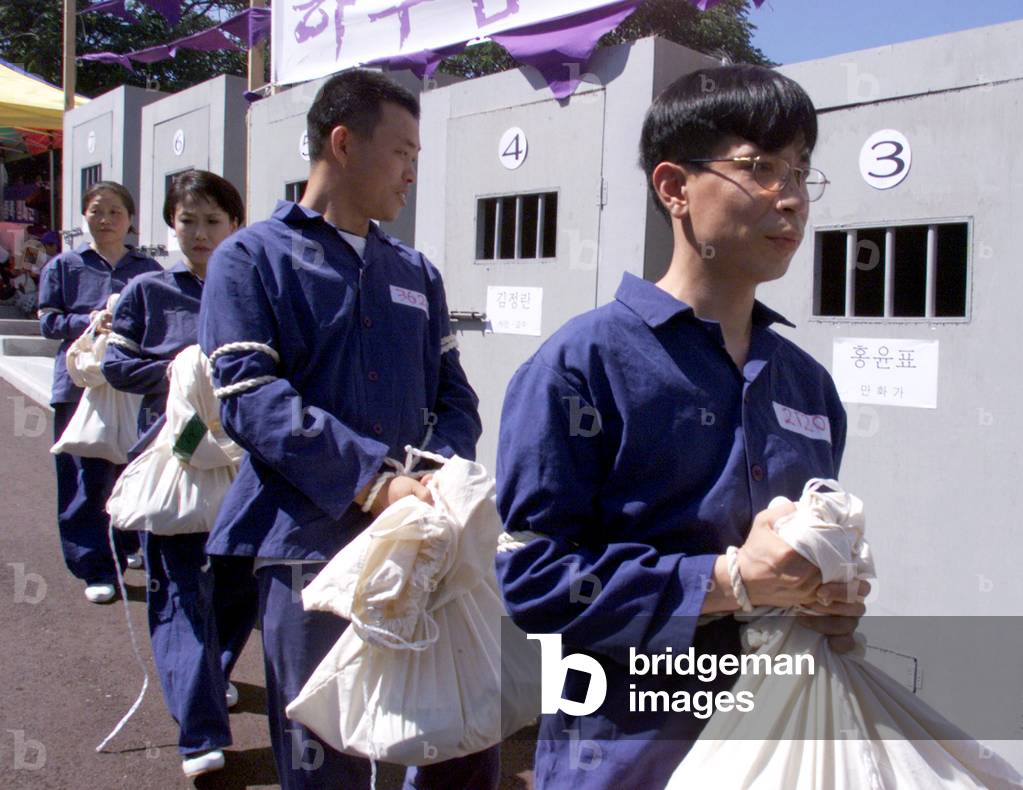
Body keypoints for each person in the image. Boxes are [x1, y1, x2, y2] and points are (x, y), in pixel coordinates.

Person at [494, 64, 870, 789]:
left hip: (775, 749)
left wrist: (825, 594)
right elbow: (533, 580)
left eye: (800, 171)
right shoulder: (582, 365)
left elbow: (798, 562)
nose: (791, 197)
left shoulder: (807, 385)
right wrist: (729, 581)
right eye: (759, 168)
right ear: (674, 188)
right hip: (626, 753)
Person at [199, 69, 496, 789]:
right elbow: (248, 394)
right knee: (324, 751)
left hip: (418, 543)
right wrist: (372, 482)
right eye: (402, 152)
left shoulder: (415, 272)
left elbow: (455, 397)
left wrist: (433, 476)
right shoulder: (252, 258)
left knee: (441, 736)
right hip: (307, 548)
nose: (411, 172)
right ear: (342, 143)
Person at [101, 170, 258, 778]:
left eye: (213, 221)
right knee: (182, 596)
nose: (200, 233)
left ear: (235, 225)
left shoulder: (253, 289)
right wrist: (180, 368)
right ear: (171, 225)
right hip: (177, 470)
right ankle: (200, 734)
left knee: (240, 591)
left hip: (245, 470)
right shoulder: (148, 292)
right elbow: (116, 365)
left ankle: (207, 677)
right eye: (188, 220)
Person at [38, 181, 161, 603]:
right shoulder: (65, 265)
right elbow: (49, 322)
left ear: (130, 219)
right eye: (96, 211)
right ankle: (94, 566)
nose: (105, 220)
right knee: (84, 480)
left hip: (132, 387)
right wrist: (90, 321)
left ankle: (125, 545)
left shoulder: (148, 269)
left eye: (115, 212)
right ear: (84, 216)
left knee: (132, 471)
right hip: (79, 386)